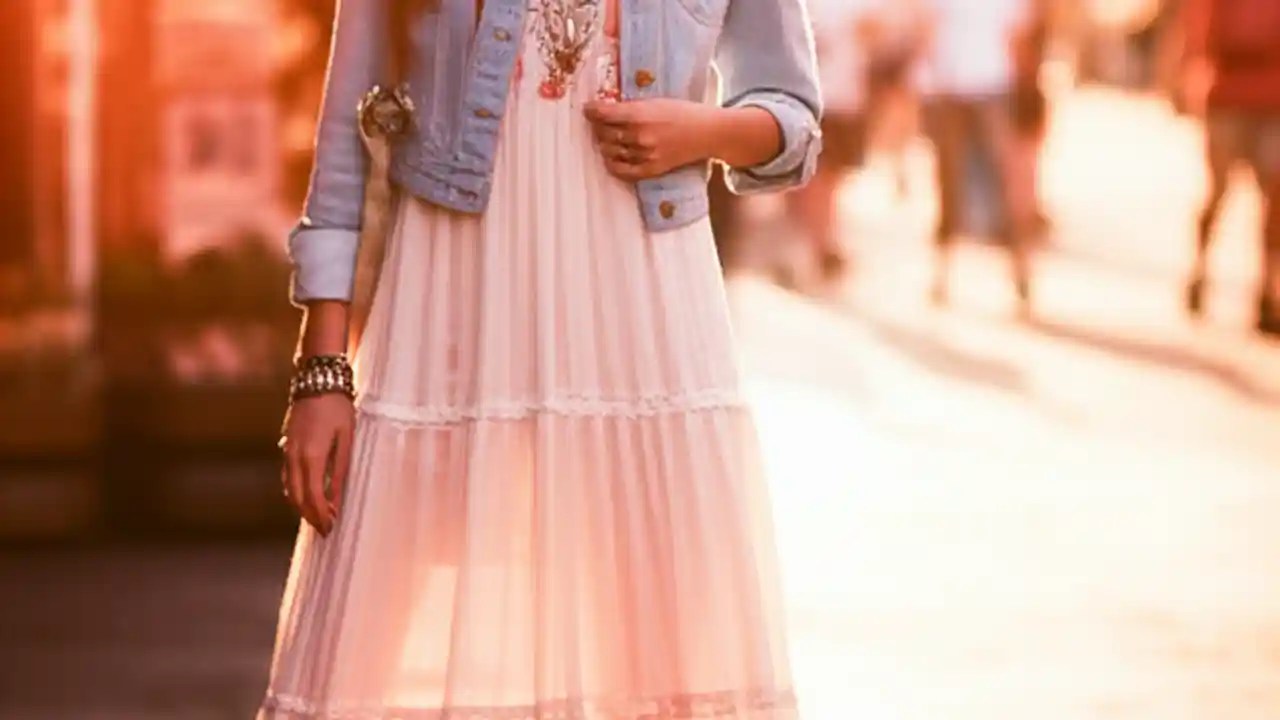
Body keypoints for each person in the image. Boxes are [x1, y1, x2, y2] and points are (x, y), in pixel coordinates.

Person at [259, 0, 820, 717]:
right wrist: (322, 373)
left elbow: (794, 118)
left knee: (658, 662)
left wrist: (701, 132)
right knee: (360, 658)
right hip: (454, 300)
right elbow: (346, 127)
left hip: (645, 314)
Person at [920, 0, 1036, 313]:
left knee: (1004, 182)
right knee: (949, 183)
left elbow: (1017, 36)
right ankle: (942, 273)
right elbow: (928, 29)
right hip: (952, 90)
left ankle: (1019, 273)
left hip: (992, 87)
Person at [1182, 0, 1280, 335]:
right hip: (1227, 94)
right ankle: (1200, 270)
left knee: (1275, 201)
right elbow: (1201, 24)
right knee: (1218, 192)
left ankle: (1267, 290)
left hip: (1273, 99)